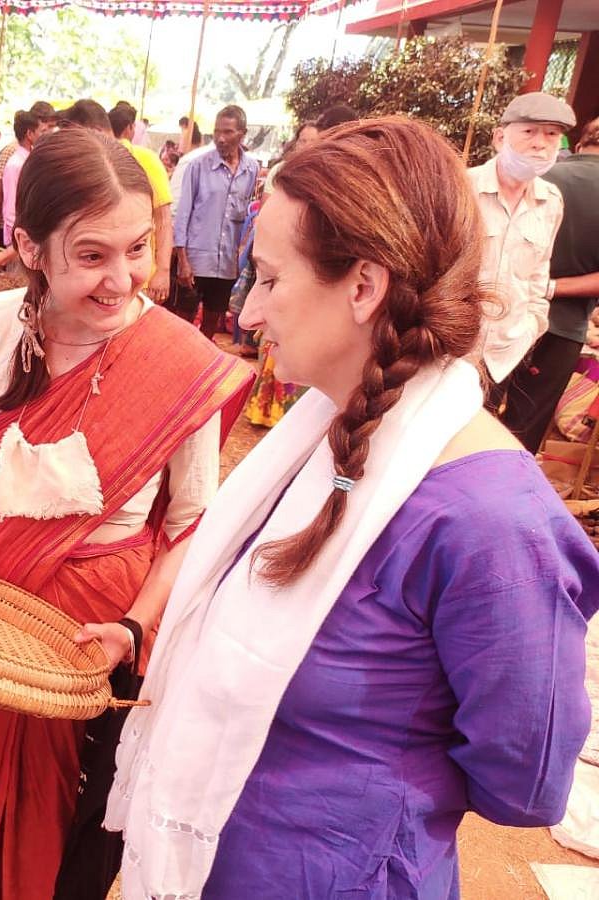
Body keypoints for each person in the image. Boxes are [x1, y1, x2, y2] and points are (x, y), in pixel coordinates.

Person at [106, 116, 599, 899]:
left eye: (270, 280)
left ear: (363, 287)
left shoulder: (493, 527)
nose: (251, 314)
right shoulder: (321, 434)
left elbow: (523, 779)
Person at [0, 127, 255, 900]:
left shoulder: (181, 364)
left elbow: (192, 522)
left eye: (137, 249)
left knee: (77, 826)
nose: (123, 279)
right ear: (29, 247)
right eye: (92, 256)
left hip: (94, 635)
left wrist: (133, 630)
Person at [468, 92, 570, 409]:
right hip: (454, 349)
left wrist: (532, 326)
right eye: (529, 131)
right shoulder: (464, 188)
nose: (540, 143)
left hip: (503, 355)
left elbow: (539, 274)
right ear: (500, 137)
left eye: (552, 134)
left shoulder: (550, 201)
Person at [503, 115, 599, 451]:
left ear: (579, 142)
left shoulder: (535, 176)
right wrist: (553, 288)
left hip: (503, 313)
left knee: (472, 413)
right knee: (522, 431)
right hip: (562, 329)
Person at [173, 104, 260, 336]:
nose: (221, 139)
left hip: (226, 264)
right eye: (217, 132)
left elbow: (245, 213)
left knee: (211, 322)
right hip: (196, 259)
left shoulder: (251, 169)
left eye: (228, 132)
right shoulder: (198, 166)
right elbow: (183, 213)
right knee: (183, 321)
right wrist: (182, 259)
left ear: (242, 134)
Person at [108, 102, 174, 302]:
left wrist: (162, 271)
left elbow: (162, 219)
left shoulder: (144, 158)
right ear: (130, 128)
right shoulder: (147, 158)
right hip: (133, 277)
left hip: (141, 280)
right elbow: (164, 220)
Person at [0, 102, 55, 248]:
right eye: (43, 130)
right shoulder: (14, 161)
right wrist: (10, 242)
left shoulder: (31, 157)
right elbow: (7, 204)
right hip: (16, 238)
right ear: (30, 133)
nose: (48, 134)